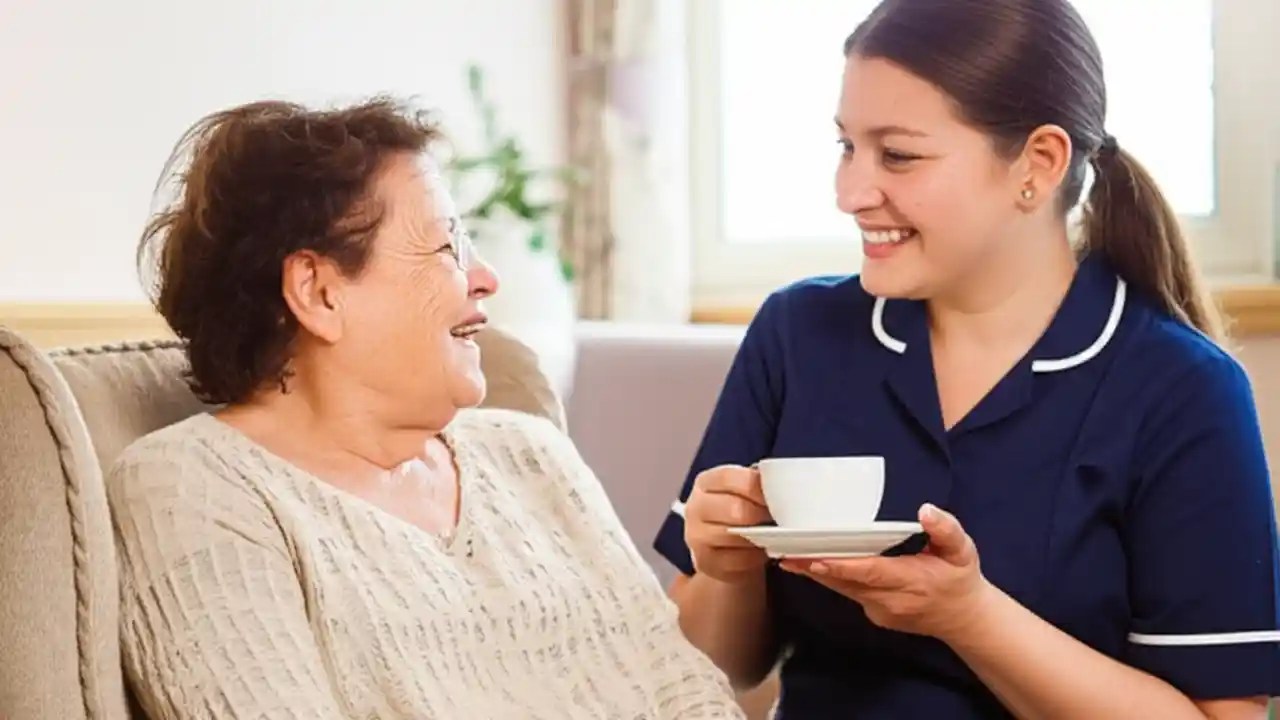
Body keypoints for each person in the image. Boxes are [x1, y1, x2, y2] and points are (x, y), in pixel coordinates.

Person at [654, 0, 1280, 718]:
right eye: (847, 146)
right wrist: (726, 570)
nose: (849, 193)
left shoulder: (1181, 388)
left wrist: (971, 617)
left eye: (898, 155)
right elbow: (711, 670)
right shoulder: (798, 334)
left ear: (1038, 164)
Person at [107, 97, 744, 720]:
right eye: (447, 248)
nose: (486, 277)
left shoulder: (532, 454)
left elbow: (687, 694)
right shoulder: (193, 487)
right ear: (319, 292)